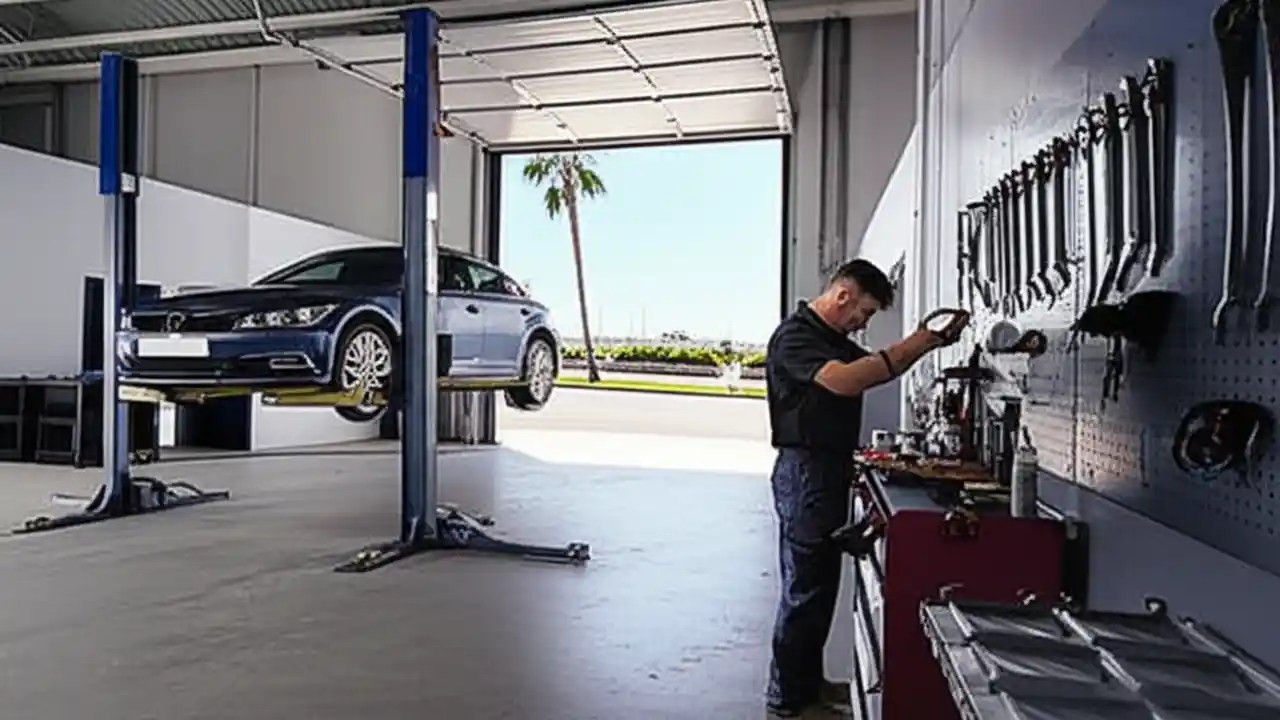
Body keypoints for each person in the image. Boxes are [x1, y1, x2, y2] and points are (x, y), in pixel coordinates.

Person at [763, 259, 969, 718]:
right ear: (843, 297)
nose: (864, 323)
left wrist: (925, 342)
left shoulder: (832, 339)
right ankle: (787, 702)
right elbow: (846, 380)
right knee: (804, 589)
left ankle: (808, 686)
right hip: (806, 471)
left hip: (826, 469)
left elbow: (878, 369)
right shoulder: (797, 336)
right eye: (866, 312)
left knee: (819, 588)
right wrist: (919, 341)